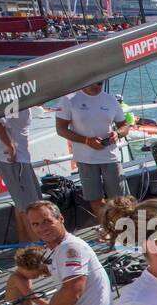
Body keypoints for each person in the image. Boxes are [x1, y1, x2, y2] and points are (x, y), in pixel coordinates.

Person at [55, 81, 128, 221]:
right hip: (85, 159)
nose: (96, 87)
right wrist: (87, 141)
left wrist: (117, 134)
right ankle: (107, 227)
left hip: (111, 157)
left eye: (99, 83)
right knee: (95, 198)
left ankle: (120, 227)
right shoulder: (69, 100)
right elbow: (61, 129)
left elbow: (124, 125)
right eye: (92, 84)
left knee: (119, 199)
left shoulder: (111, 100)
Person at [0, 105, 42, 243]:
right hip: (13, 159)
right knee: (30, 206)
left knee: (23, 203)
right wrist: (10, 145)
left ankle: (24, 243)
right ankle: (38, 247)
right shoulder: (12, 101)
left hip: (22, 158)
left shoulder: (24, 100)